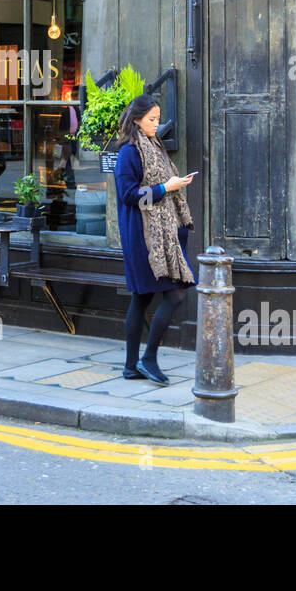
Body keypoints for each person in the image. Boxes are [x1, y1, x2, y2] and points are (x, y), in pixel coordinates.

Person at [113, 94, 197, 385]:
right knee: (175, 295)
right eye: (151, 119)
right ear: (136, 119)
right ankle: (148, 359)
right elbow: (129, 196)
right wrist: (164, 188)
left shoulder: (154, 146)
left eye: (158, 119)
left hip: (161, 236)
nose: (156, 124)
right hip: (143, 238)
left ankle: (130, 367)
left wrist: (175, 185)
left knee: (141, 299)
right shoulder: (128, 152)